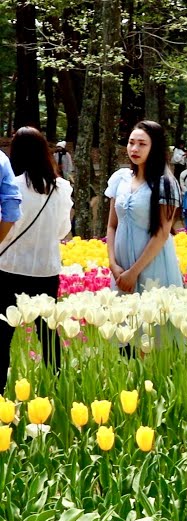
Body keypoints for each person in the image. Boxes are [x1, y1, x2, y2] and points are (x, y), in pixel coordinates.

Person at [0, 127, 72, 394]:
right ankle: (57, 389)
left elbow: (6, 229)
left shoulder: (13, 187)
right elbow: (62, 231)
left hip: (9, 267)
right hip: (46, 270)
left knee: (3, 335)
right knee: (48, 333)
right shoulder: (61, 188)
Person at [105, 121, 184, 295]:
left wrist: (133, 273)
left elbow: (162, 233)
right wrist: (113, 264)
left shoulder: (165, 184)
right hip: (121, 267)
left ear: (154, 148)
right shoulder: (120, 179)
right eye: (131, 142)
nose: (134, 149)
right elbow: (112, 225)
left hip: (153, 265)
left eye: (142, 144)